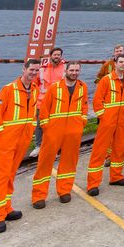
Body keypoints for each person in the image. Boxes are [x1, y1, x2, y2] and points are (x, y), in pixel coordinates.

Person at [0, 59, 40, 233]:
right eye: (31, 69)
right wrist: (1, 138)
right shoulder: (9, 89)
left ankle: (5, 208)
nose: (34, 73)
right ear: (24, 69)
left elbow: (31, 115)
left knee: (10, 176)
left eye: (37, 70)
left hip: (21, 141)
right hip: (5, 142)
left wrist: (30, 130)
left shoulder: (35, 89)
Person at [31, 61, 87, 208]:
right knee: (45, 162)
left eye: (77, 70)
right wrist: (47, 128)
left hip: (73, 131)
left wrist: (82, 122)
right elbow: (44, 110)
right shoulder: (54, 88)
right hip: (53, 131)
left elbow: (84, 106)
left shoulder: (82, 87)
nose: (74, 73)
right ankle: (39, 196)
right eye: (72, 70)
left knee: (69, 161)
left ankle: (64, 190)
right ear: (66, 71)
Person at [86, 54, 124, 196]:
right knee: (99, 151)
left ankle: (116, 176)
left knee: (119, 149)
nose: (123, 64)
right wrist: (104, 117)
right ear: (115, 63)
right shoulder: (106, 80)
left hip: (123, 120)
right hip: (108, 121)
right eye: (121, 62)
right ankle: (93, 184)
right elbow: (97, 101)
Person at [31, 47, 66, 157]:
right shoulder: (42, 69)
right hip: (42, 101)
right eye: (55, 54)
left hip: (58, 101)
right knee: (39, 124)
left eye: (59, 55)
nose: (57, 56)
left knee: (55, 125)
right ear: (51, 55)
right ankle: (38, 146)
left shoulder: (65, 68)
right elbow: (34, 84)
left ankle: (53, 147)